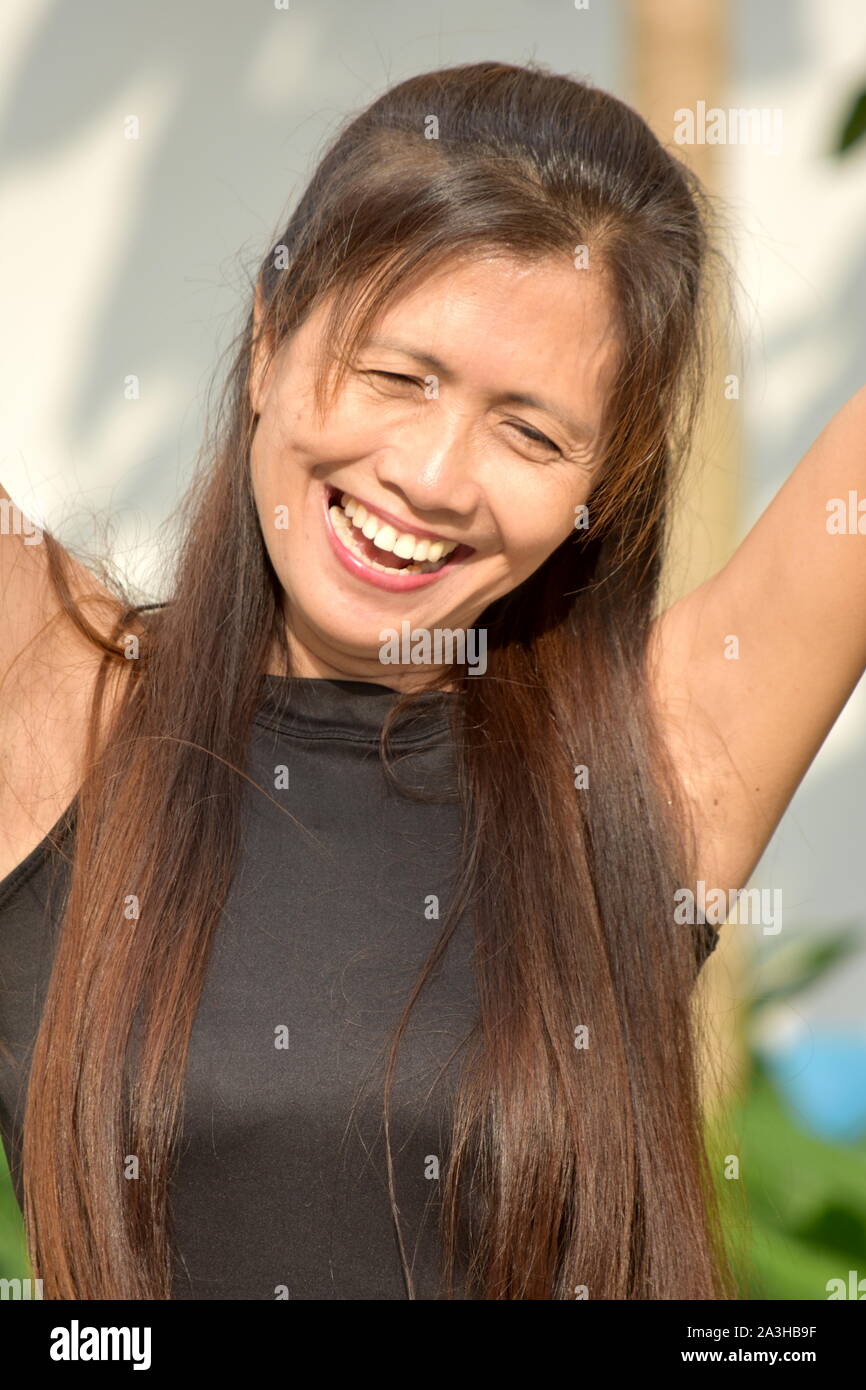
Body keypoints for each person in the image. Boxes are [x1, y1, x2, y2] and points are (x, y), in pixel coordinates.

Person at [1, 60, 863, 1301]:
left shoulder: (648, 758)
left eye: (530, 431)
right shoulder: (60, 710)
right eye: (396, 376)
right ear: (266, 341)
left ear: (595, 493)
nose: (433, 475)